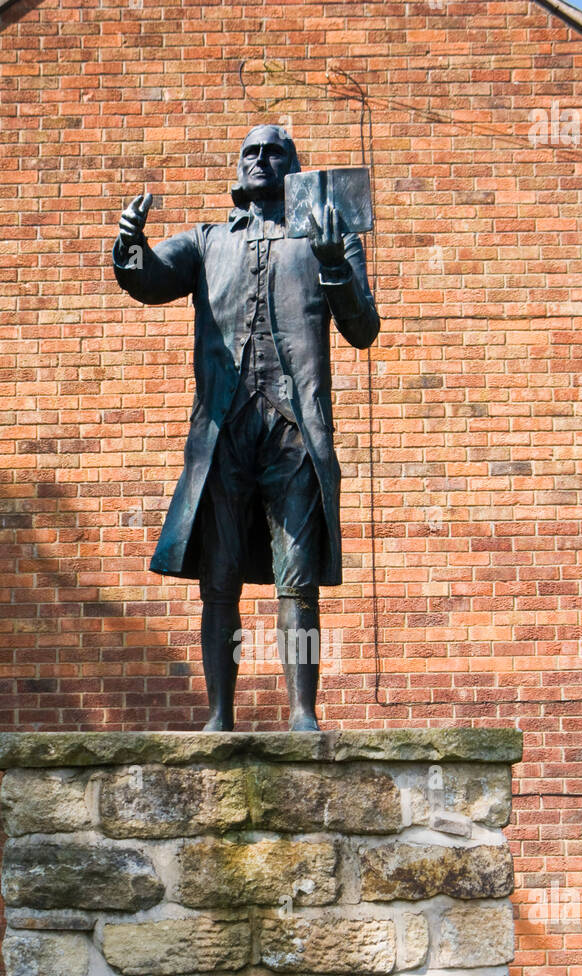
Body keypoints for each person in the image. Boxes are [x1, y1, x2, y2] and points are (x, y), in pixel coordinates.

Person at [113, 124, 379, 730]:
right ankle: (218, 716)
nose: (261, 160)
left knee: (297, 580)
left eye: (274, 152)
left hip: (295, 434)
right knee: (219, 580)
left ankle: (303, 715)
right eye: (250, 153)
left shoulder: (326, 238)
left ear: (294, 168)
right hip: (224, 433)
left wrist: (335, 263)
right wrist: (131, 242)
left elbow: (363, 327)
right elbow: (150, 278)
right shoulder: (207, 241)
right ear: (238, 170)